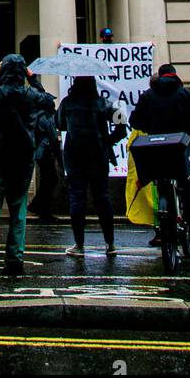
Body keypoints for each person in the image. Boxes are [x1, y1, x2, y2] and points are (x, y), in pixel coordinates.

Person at [0, 54, 49, 276]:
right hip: (22, 162)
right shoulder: (31, 95)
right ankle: (15, 259)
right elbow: (46, 100)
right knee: (18, 212)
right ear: (22, 72)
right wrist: (33, 79)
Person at [130, 63, 190, 264]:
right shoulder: (185, 95)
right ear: (175, 76)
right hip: (180, 151)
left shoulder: (148, 95)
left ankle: (163, 228)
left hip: (156, 150)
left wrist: (152, 127)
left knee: (160, 184)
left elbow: (135, 121)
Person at [57, 75, 117, 256]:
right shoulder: (103, 103)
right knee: (103, 198)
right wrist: (109, 140)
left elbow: (59, 124)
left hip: (75, 156)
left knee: (77, 199)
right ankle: (110, 243)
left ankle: (79, 244)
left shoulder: (67, 103)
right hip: (98, 155)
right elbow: (122, 120)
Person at [27, 80, 63, 223]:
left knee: (48, 181)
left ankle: (38, 205)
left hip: (41, 153)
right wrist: (61, 161)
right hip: (45, 153)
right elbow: (53, 140)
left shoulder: (38, 115)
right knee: (50, 180)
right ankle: (42, 209)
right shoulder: (46, 118)